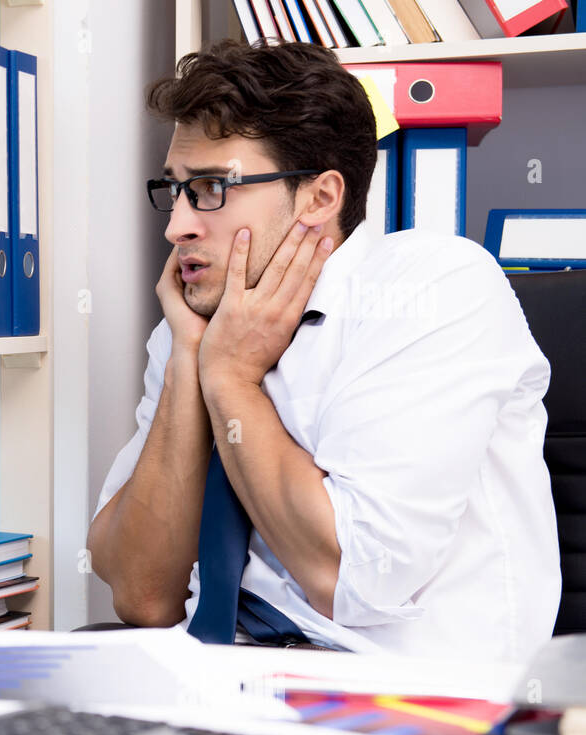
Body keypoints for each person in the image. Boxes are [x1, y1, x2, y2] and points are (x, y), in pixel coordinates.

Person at [86, 39, 559, 660]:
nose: (177, 227)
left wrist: (228, 379)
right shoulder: (192, 324)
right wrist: (188, 360)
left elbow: (352, 580)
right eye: (173, 190)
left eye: (209, 188)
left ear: (319, 198)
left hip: (397, 700)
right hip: (217, 675)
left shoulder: (433, 287)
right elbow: (143, 596)